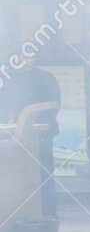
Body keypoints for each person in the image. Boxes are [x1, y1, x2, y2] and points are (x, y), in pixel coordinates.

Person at [0, 57, 62, 219]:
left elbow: (53, 104)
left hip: (41, 134)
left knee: (43, 172)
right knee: (17, 175)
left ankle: (48, 211)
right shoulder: (10, 79)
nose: (26, 61)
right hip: (14, 135)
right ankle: (19, 212)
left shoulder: (46, 78)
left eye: (29, 58)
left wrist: (35, 120)